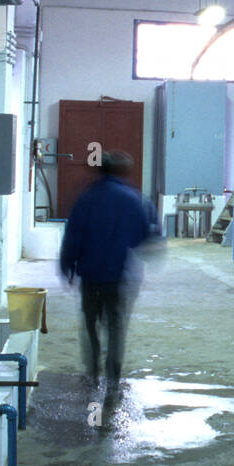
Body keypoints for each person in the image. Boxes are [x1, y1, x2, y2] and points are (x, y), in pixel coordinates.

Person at [59, 151, 158, 396]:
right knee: (116, 328)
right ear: (121, 172)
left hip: (90, 276)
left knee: (91, 325)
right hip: (119, 278)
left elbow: (72, 236)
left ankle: (92, 372)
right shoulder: (133, 199)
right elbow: (144, 236)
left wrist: (67, 266)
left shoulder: (87, 198)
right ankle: (113, 378)